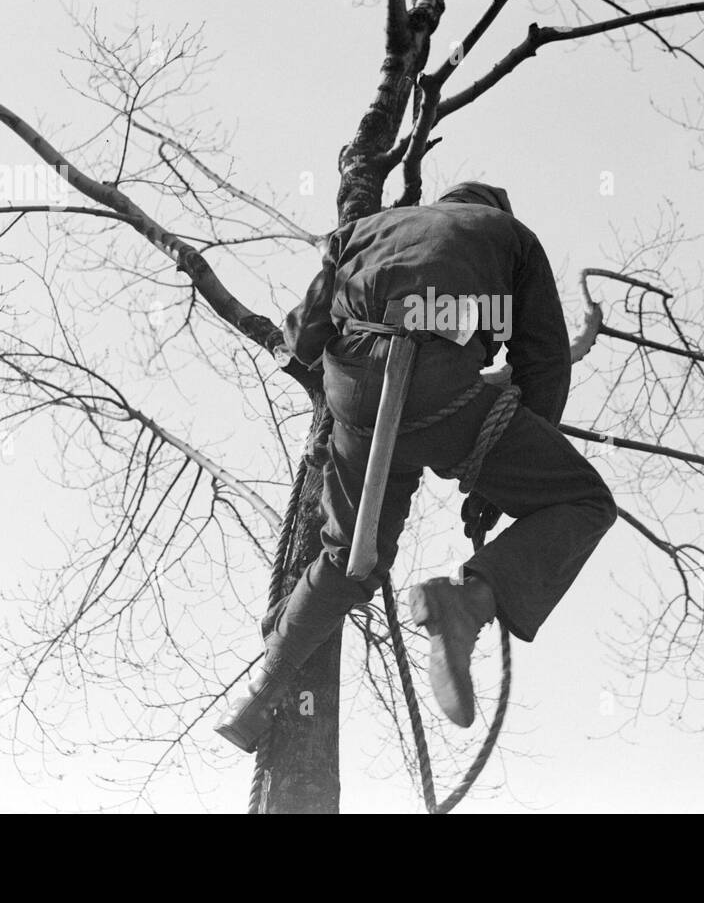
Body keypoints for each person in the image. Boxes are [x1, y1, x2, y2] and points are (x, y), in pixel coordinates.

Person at [216, 182, 616, 751]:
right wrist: (500, 484)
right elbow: (543, 362)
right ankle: (466, 603)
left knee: (349, 558)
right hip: (439, 391)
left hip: (354, 397)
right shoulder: (511, 237)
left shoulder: (362, 230)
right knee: (583, 501)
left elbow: (303, 339)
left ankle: (263, 690)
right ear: (491, 211)